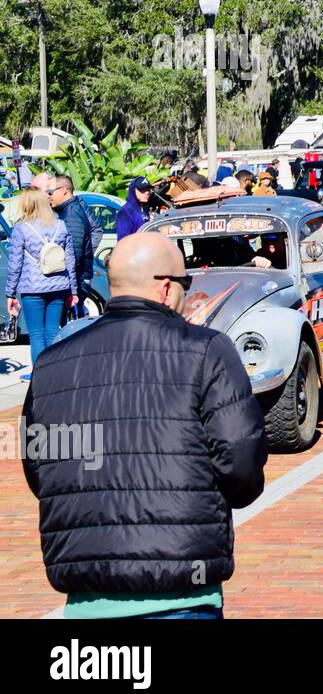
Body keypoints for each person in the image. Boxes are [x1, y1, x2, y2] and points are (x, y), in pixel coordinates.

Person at [22, 231, 267, 619]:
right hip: (182, 588)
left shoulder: (52, 363)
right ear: (167, 288)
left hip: (86, 592)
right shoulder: (206, 349)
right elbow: (241, 460)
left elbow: (41, 471)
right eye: (186, 283)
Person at [5, 187, 76, 378]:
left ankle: (40, 375)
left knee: (36, 335)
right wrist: (73, 290)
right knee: (53, 331)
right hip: (59, 285)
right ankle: (55, 372)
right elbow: (70, 260)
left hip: (32, 287)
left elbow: (15, 264)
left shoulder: (21, 228)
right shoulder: (60, 225)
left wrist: (10, 294)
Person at [47, 175, 102, 319]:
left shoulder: (71, 214)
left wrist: (68, 282)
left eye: (50, 192)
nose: (48, 196)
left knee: (71, 325)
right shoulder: (67, 210)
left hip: (75, 280)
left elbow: (74, 254)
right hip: (75, 279)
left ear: (64, 190)